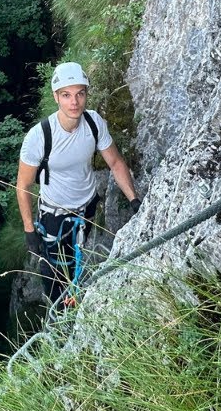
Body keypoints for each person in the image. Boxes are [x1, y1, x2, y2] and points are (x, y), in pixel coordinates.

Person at [16, 62, 142, 310]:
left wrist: (134, 200)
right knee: (53, 270)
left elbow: (115, 162)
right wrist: (29, 229)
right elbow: (23, 185)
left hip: (87, 208)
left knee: (78, 258)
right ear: (56, 97)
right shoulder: (39, 136)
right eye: (66, 95)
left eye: (79, 94)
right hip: (54, 215)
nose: (74, 102)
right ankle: (60, 316)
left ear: (86, 94)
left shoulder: (94, 123)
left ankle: (75, 299)